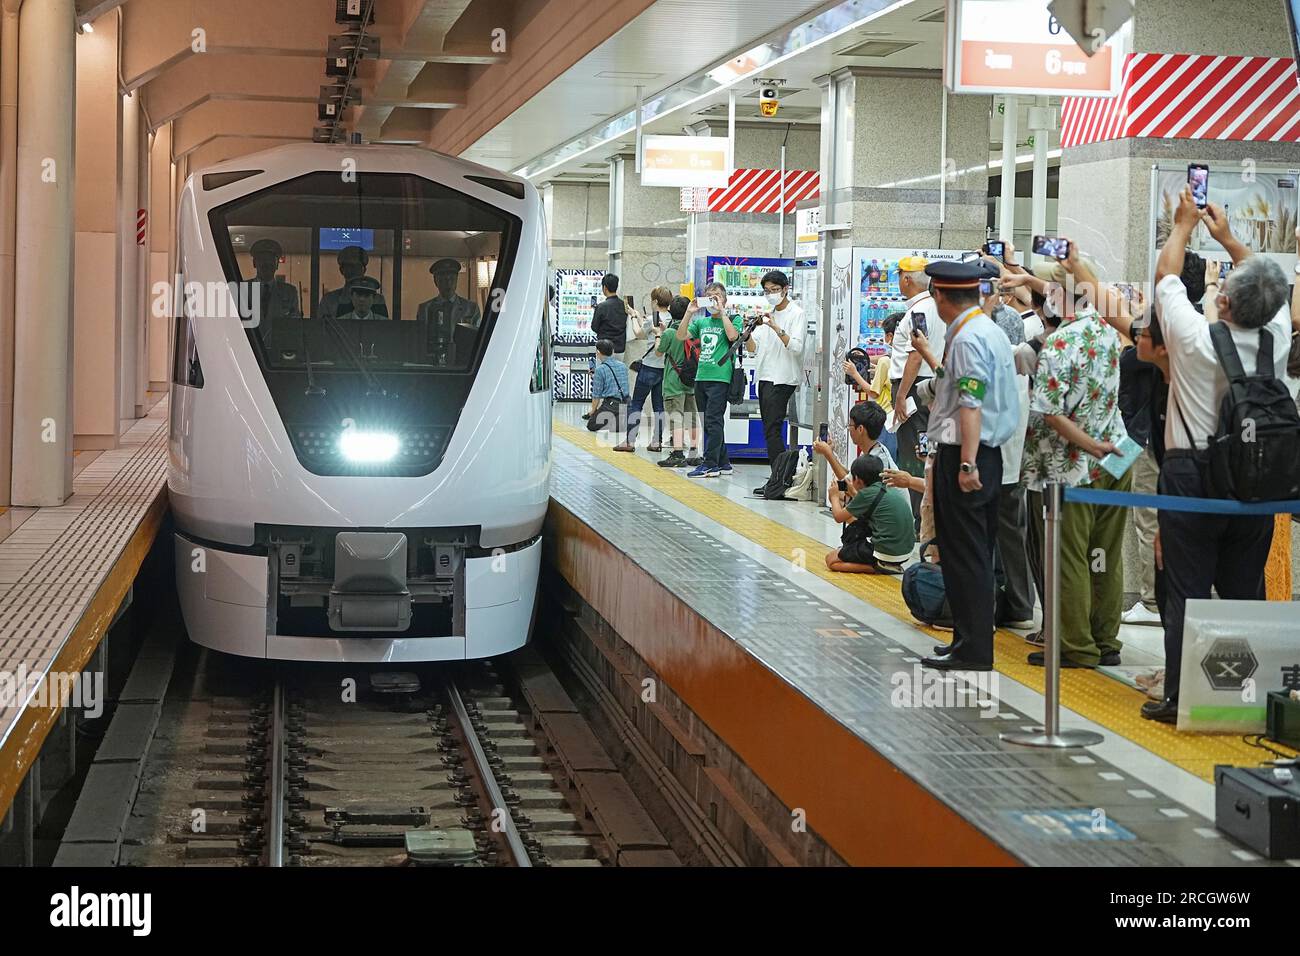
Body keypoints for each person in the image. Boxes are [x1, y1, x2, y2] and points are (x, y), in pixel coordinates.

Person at [1141, 187, 1292, 724]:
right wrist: (1227, 235)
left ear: (1224, 303)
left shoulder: (1193, 337)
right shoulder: (1276, 335)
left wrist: (1183, 225)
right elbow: (1266, 279)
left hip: (1192, 477)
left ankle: (1183, 697)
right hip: (1257, 480)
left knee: (1185, 590)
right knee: (1242, 591)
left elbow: (1165, 278)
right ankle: (1242, 697)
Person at [1017, 246, 1129, 670]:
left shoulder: (1061, 341)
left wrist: (1086, 445)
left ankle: (1075, 646)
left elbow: (1050, 411)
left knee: (1069, 555)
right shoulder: (1108, 330)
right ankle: (1106, 639)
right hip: (1119, 451)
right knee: (1106, 553)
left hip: (1073, 463)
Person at [915, 260, 1018, 672]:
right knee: (971, 552)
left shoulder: (969, 338)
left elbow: (971, 404)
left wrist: (967, 464)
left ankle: (974, 649)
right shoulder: (985, 330)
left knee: (968, 555)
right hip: (979, 454)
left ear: (940, 297)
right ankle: (966, 640)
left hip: (967, 456)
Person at [888, 256, 945, 516]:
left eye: (899, 275)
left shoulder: (918, 312)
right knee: (923, 448)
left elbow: (916, 354)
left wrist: (901, 395)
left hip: (912, 388)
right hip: (927, 386)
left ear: (906, 278)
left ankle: (918, 515)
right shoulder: (935, 308)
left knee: (913, 450)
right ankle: (925, 512)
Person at [745, 270, 805, 476]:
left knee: (772, 429)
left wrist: (775, 326)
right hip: (765, 376)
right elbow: (754, 348)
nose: (771, 294)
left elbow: (796, 347)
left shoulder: (797, 314)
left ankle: (779, 477)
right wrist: (747, 334)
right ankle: (778, 476)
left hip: (783, 378)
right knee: (769, 428)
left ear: (786, 289)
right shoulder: (769, 313)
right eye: (767, 291)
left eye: (775, 290)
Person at [678, 281, 740, 479]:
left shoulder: (733, 319)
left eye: (717, 296)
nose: (713, 299)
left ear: (724, 299)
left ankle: (710, 463)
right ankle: (724, 462)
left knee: (713, 421)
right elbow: (681, 336)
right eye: (709, 296)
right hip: (701, 376)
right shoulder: (701, 322)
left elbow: (732, 337)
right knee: (709, 421)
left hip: (720, 377)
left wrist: (722, 312)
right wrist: (689, 312)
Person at [826, 455, 916, 574]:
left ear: (857, 480)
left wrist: (834, 496)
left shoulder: (866, 494)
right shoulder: (889, 488)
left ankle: (875, 567)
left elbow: (838, 517)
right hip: (906, 552)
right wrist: (853, 492)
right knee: (859, 522)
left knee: (831, 560)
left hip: (886, 553)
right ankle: (880, 563)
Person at [617, 286, 670, 453]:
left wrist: (633, 317)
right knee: (659, 407)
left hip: (648, 368)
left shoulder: (653, 318)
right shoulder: (670, 318)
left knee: (637, 404)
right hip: (664, 369)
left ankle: (630, 441)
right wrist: (640, 316)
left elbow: (640, 334)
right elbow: (650, 331)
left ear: (654, 301)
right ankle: (656, 441)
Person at [845, 312, 900, 460]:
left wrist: (854, 373)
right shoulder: (897, 360)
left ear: (889, 336)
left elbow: (873, 392)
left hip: (883, 417)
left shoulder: (885, 362)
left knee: (879, 458)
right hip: (896, 417)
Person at [656, 294, 702, 468]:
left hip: (673, 382)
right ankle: (694, 452)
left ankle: (677, 453)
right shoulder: (693, 330)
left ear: (671, 311)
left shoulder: (669, 332)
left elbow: (659, 353)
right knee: (691, 417)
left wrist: (659, 334)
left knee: (676, 417)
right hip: (690, 382)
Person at [417, 258, 483, 361]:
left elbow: (477, 339)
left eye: (451, 279)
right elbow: (420, 339)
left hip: (462, 359)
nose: (448, 283)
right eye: (443, 280)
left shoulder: (470, 308)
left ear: (457, 280)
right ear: (435, 282)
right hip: (432, 359)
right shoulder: (425, 308)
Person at [244, 238, 301, 352]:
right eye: (262, 259)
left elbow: (294, 324)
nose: (267, 264)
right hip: (248, 350)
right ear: (255, 263)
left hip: (279, 351)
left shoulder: (289, 292)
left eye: (271, 259)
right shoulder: (242, 289)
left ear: (277, 265)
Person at [317, 245, 388, 319]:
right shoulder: (329, 300)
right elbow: (321, 328)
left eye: (357, 266)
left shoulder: (378, 300)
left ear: (364, 270)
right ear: (342, 270)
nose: (353, 270)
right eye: (349, 266)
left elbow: (383, 327)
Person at [586, 338, 630, 440]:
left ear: (598, 352)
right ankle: (617, 420)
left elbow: (596, 395)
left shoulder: (600, 369)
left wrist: (592, 411)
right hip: (626, 403)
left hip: (611, 405)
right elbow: (614, 382)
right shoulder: (623, 366)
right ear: (613, 351)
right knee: (618, 428)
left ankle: (611, 419)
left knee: (591, 425)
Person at [590, 274, 628, 363]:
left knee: (603, 375)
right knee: (617, 374)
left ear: (604, 288)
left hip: (604, 349)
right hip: (620, 349)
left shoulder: (601, 307)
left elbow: (594, 327)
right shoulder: (624, 305)